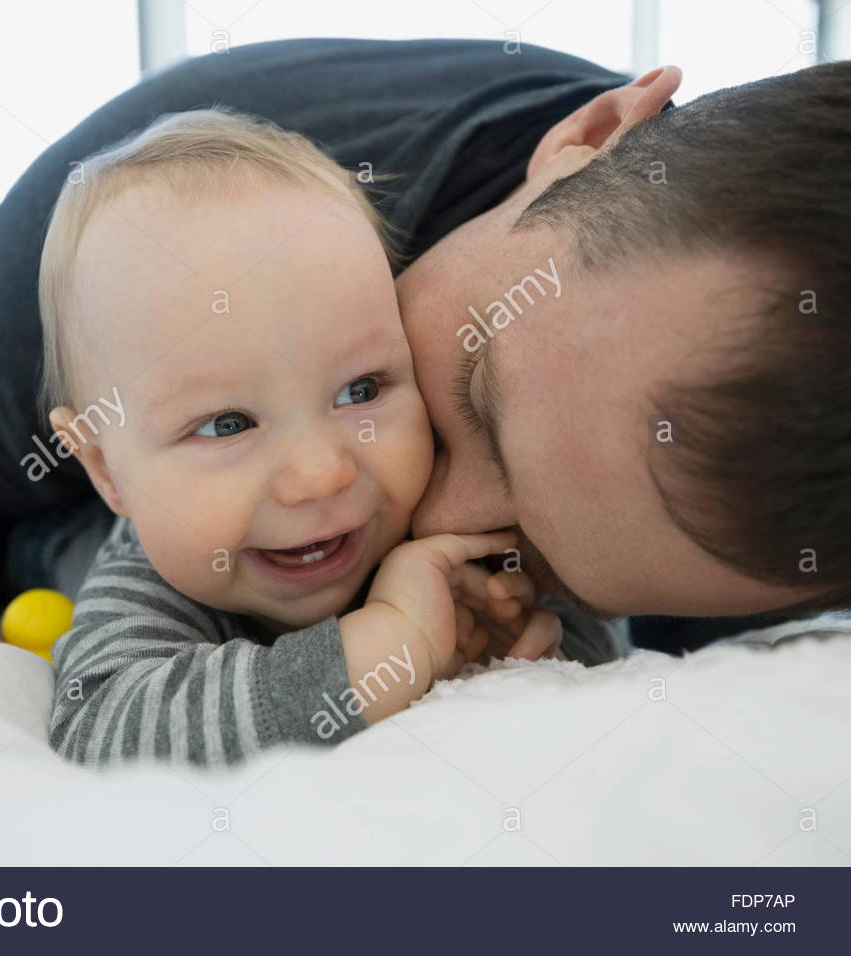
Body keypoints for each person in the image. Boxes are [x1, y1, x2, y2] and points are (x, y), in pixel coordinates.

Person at [0, 38, 850, 652]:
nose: (420, 513)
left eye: (533, 561)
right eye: (471, 399)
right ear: (588, 138)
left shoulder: (771, 541)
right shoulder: (135, 230)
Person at [34, 108, 623, 765]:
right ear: (107, 471)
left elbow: (596, 634)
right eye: (228, 424)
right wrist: (390, 644)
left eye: (361, 391)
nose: (323, 474)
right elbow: (104, 728)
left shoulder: (441, 518)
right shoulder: (152, 578)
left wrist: (523, 642)